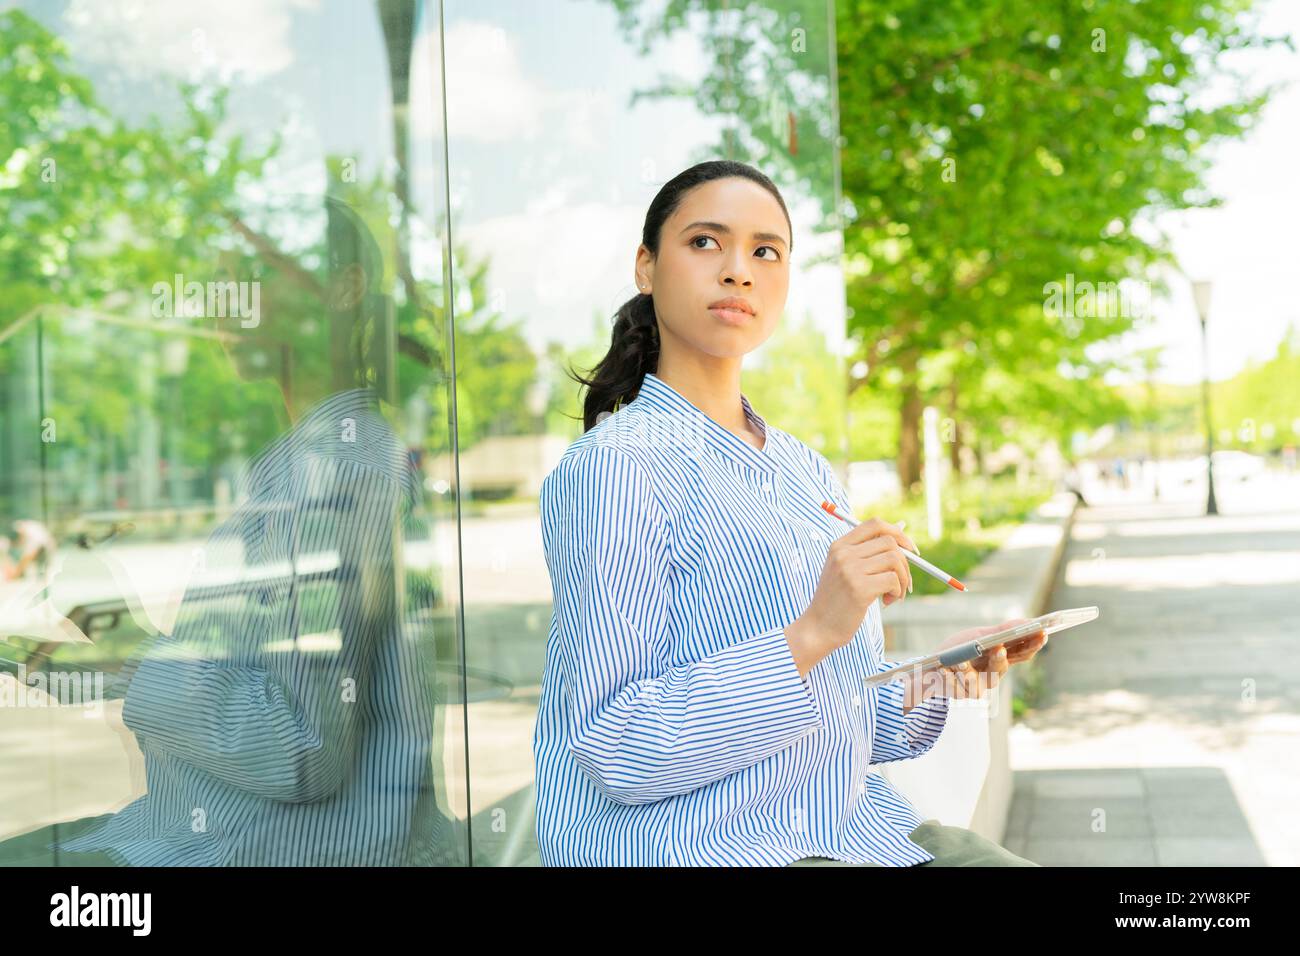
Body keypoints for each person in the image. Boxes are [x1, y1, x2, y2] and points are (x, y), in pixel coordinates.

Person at [533, 160, 1047, 867]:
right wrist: (812, 633)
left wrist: (940, 674)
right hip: (698, 848)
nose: (739, 271)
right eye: (706, 243)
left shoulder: (803, 469)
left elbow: (837, 716)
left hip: (857, 831)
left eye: (765, 252)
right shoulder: (614, 471)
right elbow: (619, 748)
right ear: (646, 267)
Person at [0, 194, 460, 867]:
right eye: (218, 285)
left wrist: (133, 655)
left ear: (344, 286)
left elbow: (303, 748)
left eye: (249, 277)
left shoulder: (342, 471)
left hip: (251, 848)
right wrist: (118, 652)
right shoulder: (310, 460)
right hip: (205, 829)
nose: (225, 304)